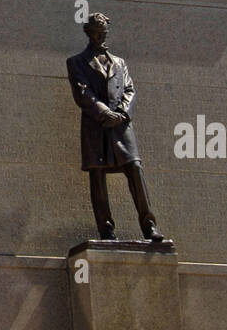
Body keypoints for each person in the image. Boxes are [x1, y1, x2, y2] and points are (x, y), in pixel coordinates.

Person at [66, 13, 165, 242]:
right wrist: (104, 113)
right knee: (97, 177)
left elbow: (129, 90)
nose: (101, 37)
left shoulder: (120, 62)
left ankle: (150, 226)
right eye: (96, 33)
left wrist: (121, 114)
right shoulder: (76, 62)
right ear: (88, 33)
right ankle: (106, 229)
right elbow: (82, 92)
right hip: (95, 126)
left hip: (121, 127)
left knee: (135, 170)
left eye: (104, 33)